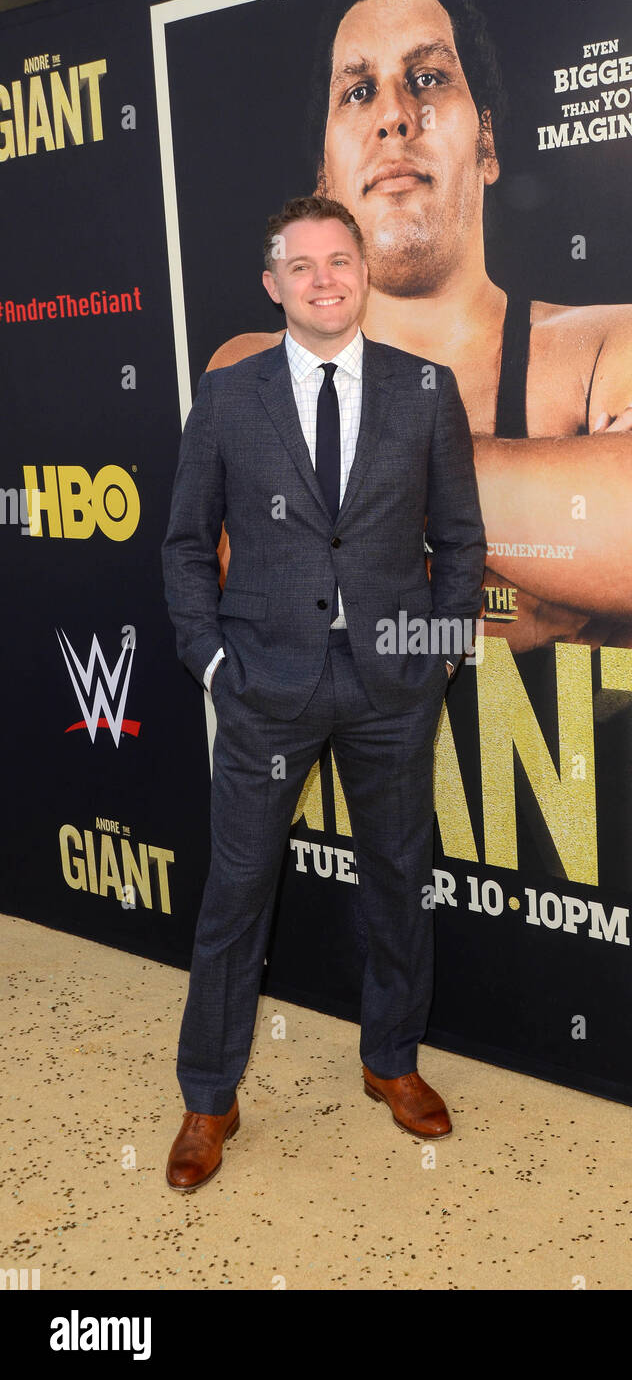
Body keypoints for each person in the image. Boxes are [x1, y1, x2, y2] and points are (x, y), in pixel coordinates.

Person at [211, 0, 632, 654]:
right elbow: (262, 600)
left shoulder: (611, 346)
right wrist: (543, 593)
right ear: (324, 179)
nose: (394, 114)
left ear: (487, 144)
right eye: (358, 91)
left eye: (427, 78)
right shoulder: (251, 368)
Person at [161, 194, 486, 1190]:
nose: (324, 278)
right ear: (274, 285)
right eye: (302, 266)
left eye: (339, 260)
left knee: (396, 880)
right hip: (267, 686)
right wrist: (216, 666)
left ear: (363, 272)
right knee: (235, 895)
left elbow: (462, 541)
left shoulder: (426, 390)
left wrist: (435, 655)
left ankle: (391, 1060)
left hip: (392, 687)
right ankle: (210, 1097)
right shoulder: (228, 395)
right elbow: (183, 545)